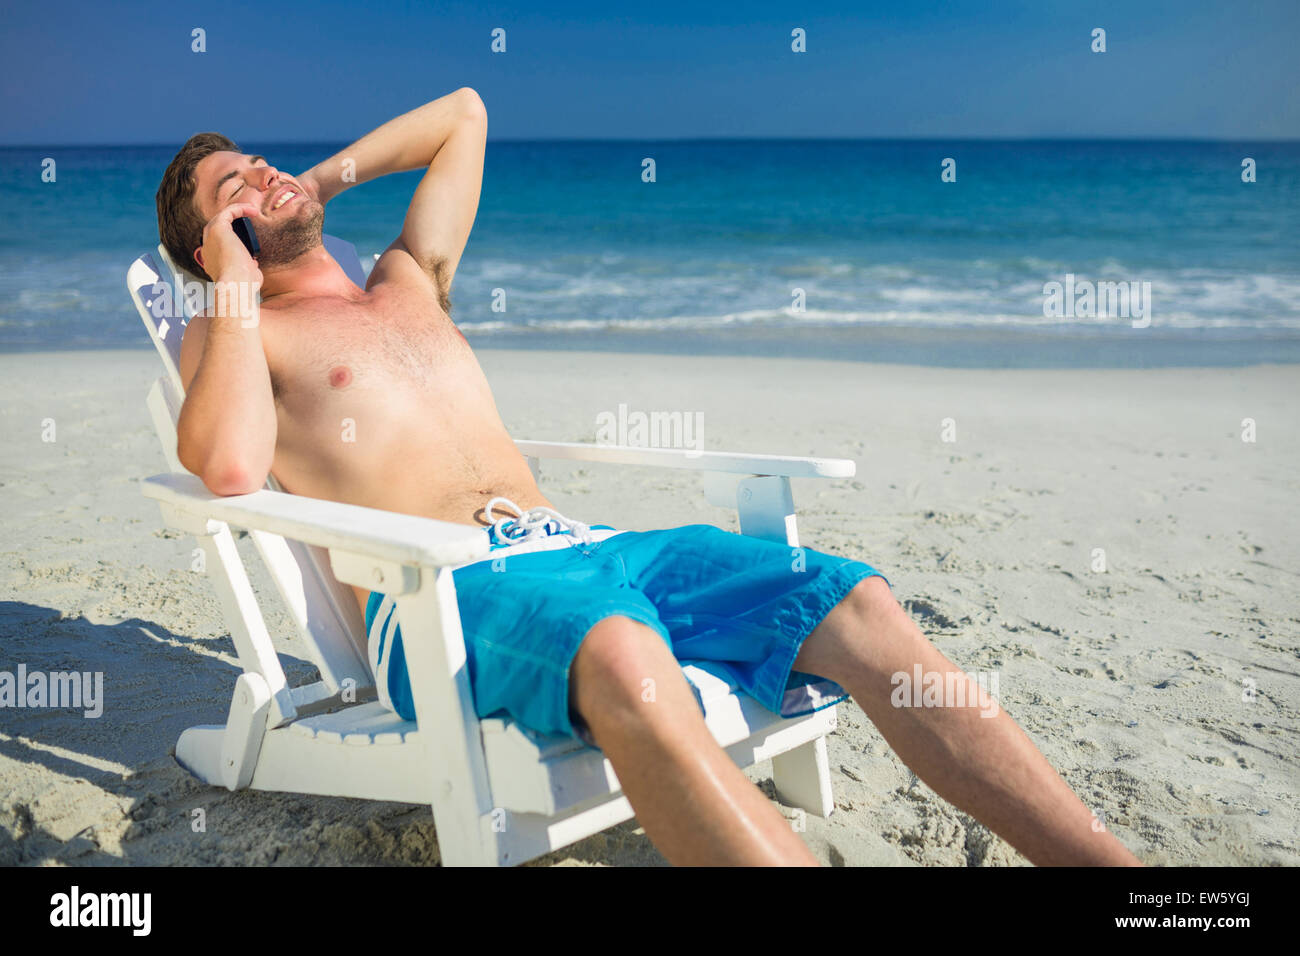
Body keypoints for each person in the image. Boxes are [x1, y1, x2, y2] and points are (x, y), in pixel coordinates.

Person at [156, 87, 1140, 867]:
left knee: (858, 604)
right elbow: (231, 464)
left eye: (259, 159)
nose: (263, 173)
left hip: (585, 547)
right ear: (209, 246)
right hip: (448, 598)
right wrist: (232, 292)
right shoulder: (238, 333)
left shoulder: (407, 278)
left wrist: (314, 178)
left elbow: (464, 114)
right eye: (232, 188)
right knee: (629, 658)